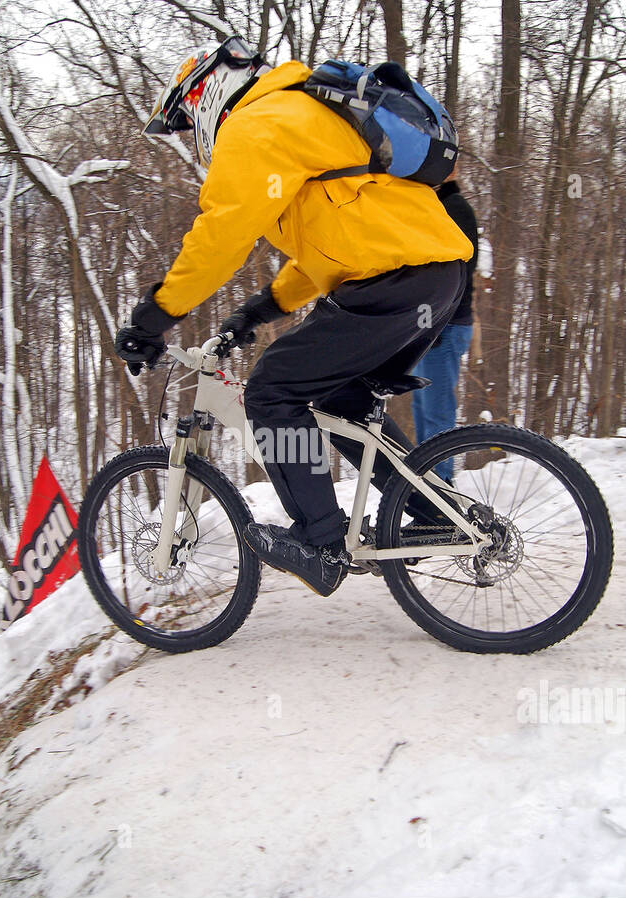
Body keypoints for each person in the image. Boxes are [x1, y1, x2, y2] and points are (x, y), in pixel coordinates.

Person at [119, 37, 471, 596]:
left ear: (205, 93)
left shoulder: (258, 124)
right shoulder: (294, 113)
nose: (195, 137)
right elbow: (333, 241)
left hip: (396, 282)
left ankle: (320, 540)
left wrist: (155, 316)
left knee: (272, 392)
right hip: (425, 274)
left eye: (189, 122)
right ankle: (432, 510)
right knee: (340, 397)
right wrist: (258, 310)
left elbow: (221, 234)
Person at [411, 169, 479, 481]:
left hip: (444, 327)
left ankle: (442, 503)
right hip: (430, 328)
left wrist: (436, 320)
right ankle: (427, 494)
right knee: (423, 413)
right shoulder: (437, 206)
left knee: (437, 416)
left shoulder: (455, 208)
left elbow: (460, 270)